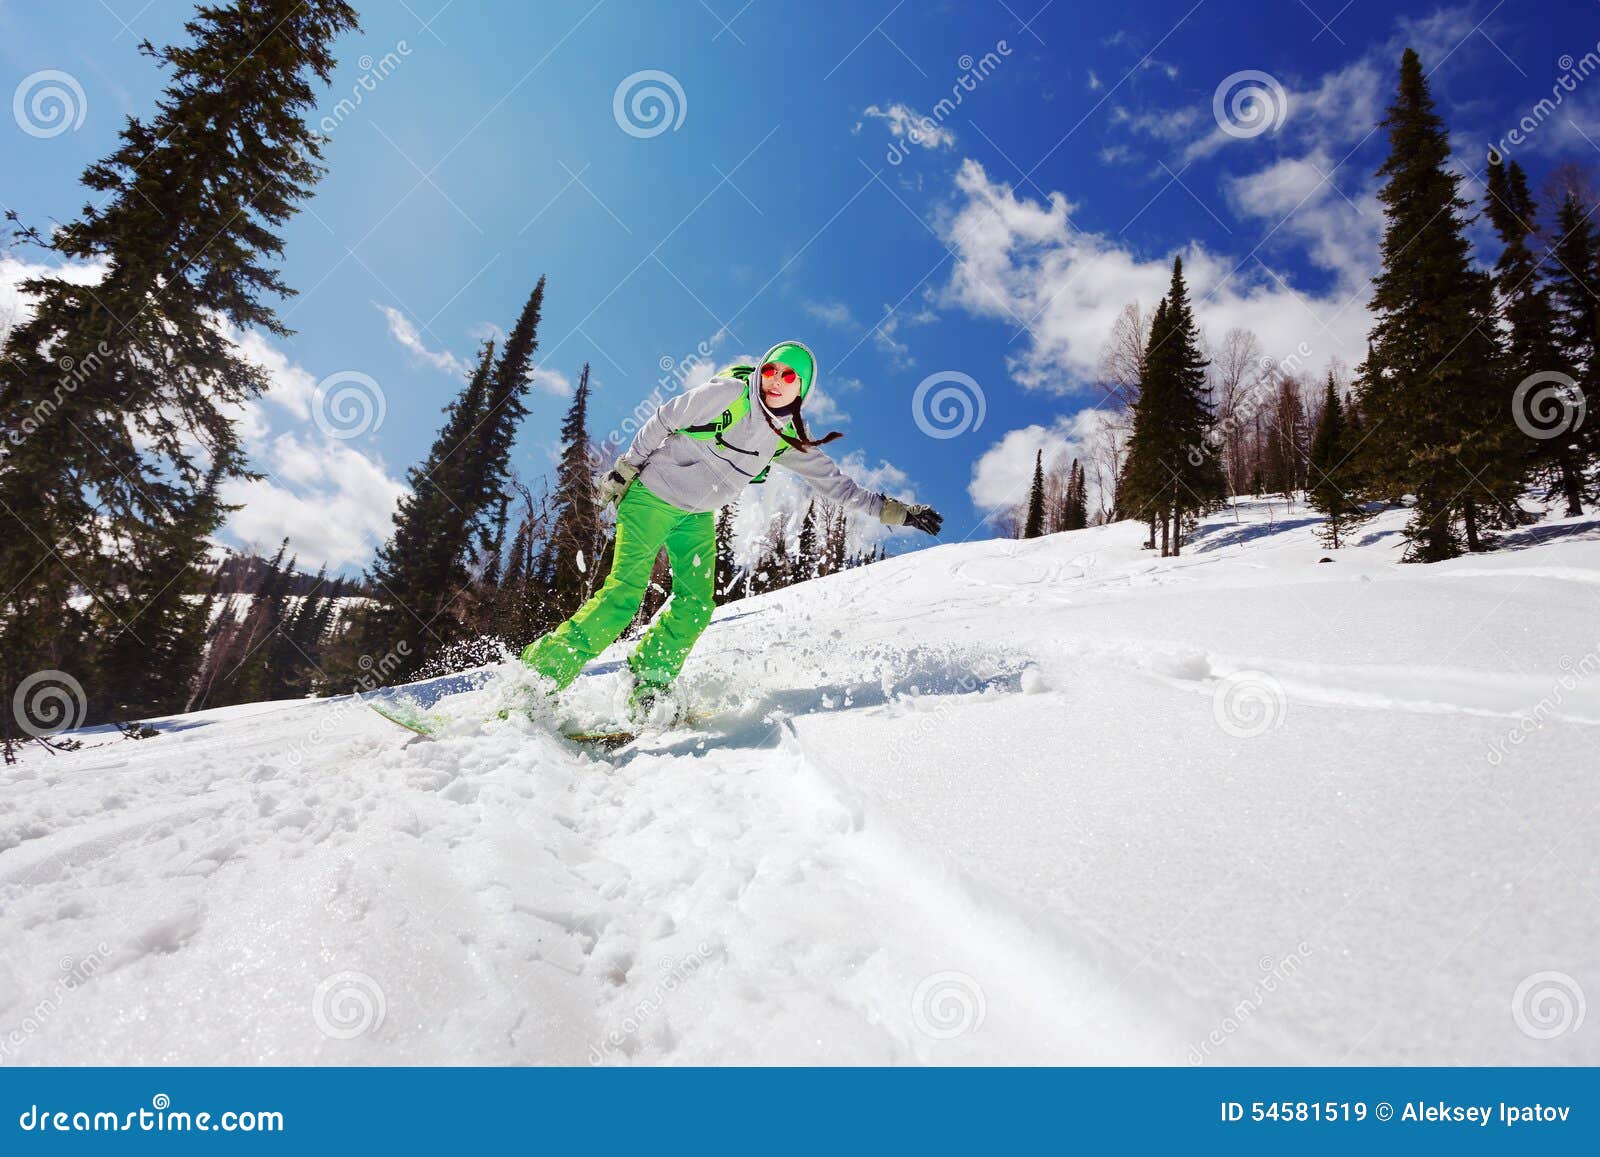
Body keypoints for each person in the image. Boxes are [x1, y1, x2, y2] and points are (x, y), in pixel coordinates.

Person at [519, 339, 942, 721]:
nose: (776, 380)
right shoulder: (731, 395)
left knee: (696, 605)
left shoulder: (788, 438)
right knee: (624, 596)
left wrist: (897, 512)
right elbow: (666, 418)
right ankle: (536, 682)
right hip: (651, 495)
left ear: (802, 390)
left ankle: (648, 683)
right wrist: (624, 469)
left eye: (790, 375)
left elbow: (837, 486)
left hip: (695, 516)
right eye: (772, 370)